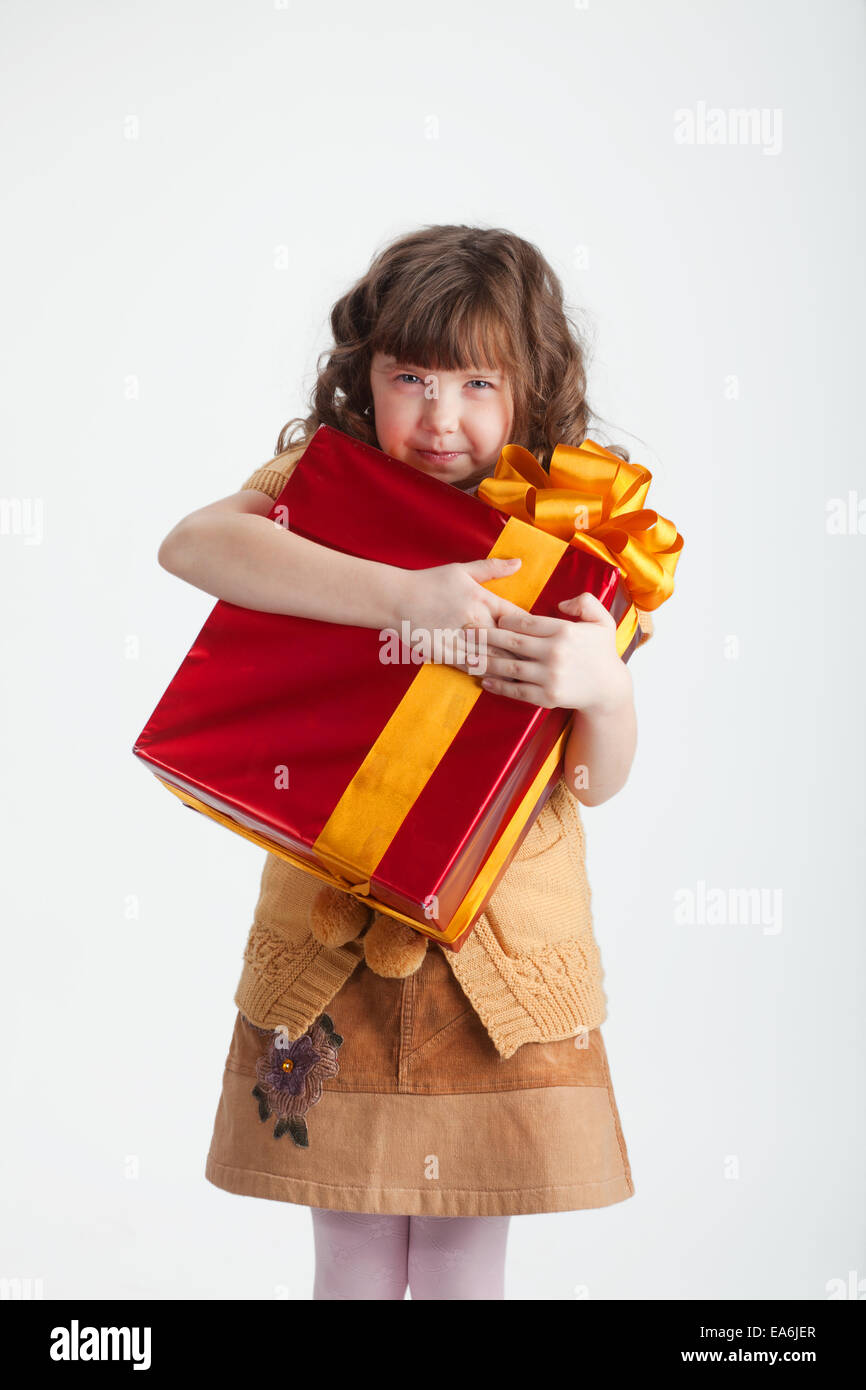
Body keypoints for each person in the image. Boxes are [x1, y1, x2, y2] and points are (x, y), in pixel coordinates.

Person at [157, 224, 657, 1300]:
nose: (440, 415)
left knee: (465, 1258)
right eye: (410, 376)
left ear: (534, 386)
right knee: (348, 1255)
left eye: (480, 380)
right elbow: (194, 545)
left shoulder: (577, 529)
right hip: (334, 945)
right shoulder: (329, 490)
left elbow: (591, 781)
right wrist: (404, 595)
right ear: (364, 378)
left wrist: (602, 686)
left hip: (498, 970)